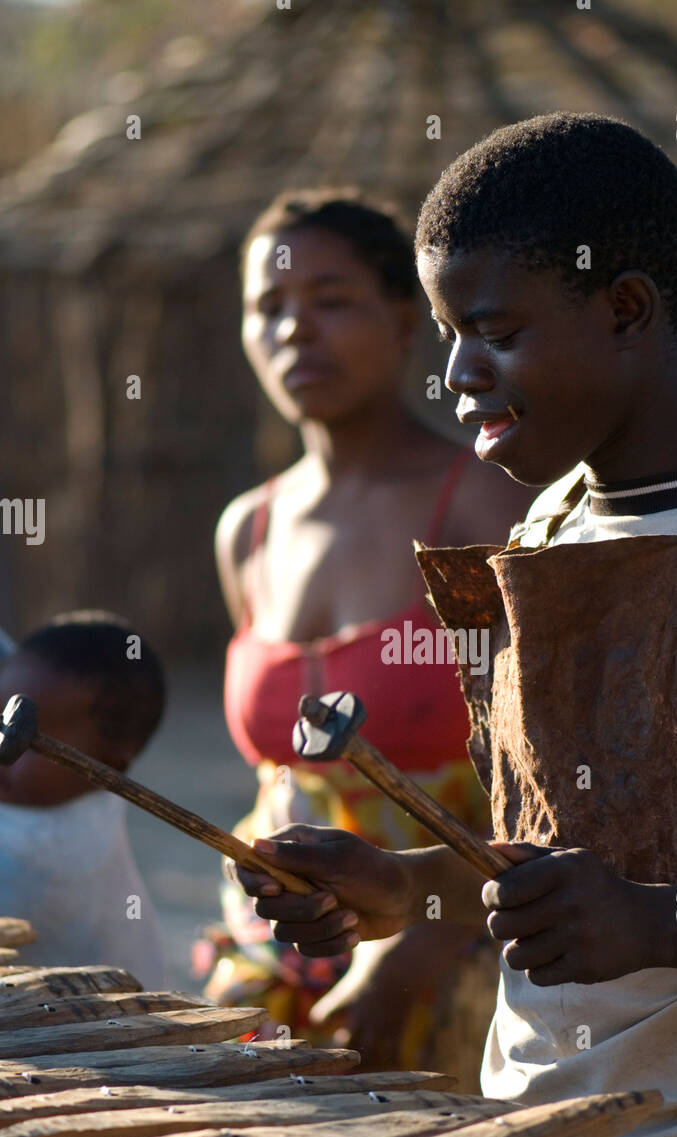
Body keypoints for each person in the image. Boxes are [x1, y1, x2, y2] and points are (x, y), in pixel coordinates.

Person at [233, 113, 677, 1137]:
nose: (459, 373)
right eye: (447, 335)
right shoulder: (548, 526)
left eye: (495, 332)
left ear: (626, 309)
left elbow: (634, 910)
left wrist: (661, 922)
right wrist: (409, 891)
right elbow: (561, 868)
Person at [196, 189, 529, 1077]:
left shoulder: (483, 508)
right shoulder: (248, 532)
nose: (295, 330)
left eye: (331, 299)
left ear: (404, 320)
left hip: (466, 948)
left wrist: (424, 934)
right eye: (268, 307)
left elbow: (555, 771)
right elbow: (282, 779)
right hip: (282, 957)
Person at [0, 611, 166, 987]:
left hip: (94, 1033)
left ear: (107, 765)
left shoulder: (43, 859)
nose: (1, 742)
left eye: (25, 739)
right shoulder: (90, 788)